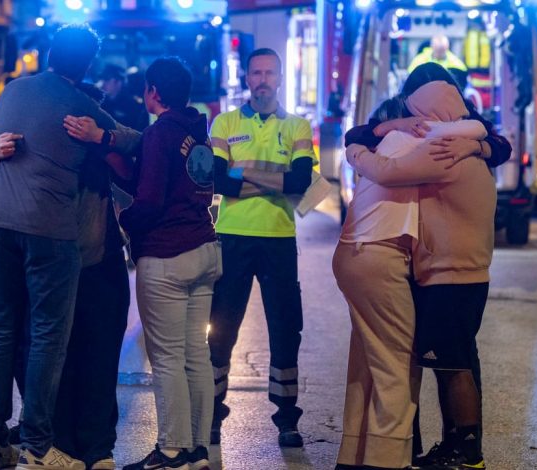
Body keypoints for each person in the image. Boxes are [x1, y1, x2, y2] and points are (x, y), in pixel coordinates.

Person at [344, 65, 505, 469]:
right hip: (456, 271)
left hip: (447, 274)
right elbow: (490, 136)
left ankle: (464, 452)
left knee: (448, 364)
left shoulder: (443, 146)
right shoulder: (463, 136)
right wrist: (480, 145)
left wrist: (357, 153)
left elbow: (384, 168)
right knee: (452, 358)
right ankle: (453, 447)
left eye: (416, 110)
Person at [0, 24, 114, 470]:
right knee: (47, 336)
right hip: (48, 228)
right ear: (87, 65)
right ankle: (37, 447)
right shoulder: (81, 104)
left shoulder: (13, 89)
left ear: (50, 54)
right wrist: (100, 135)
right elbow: (132, 139)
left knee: (0, 329)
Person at [208, 48, 315, 447]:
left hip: (278, 238)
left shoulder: (298, 126)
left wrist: (243, 173)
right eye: (256, 73)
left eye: (270, 72)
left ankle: (287, 419)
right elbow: (217, 180)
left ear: (281, 78)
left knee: (286, 330)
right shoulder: (225, 121)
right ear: (247, 78)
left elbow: (301, 182)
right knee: (220, 329)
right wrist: (274, 180)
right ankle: (211, 415)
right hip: (232, 236)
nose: (263, 79)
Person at [120, 57, 219, 470]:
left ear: (154, 92)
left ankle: (172, 448)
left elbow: (149, 200)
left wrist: (124, 223)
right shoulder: (198, 131)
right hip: (204, 248)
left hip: (167, 255)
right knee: (196, 354)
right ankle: (197, 448)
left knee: (166, 359)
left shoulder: (159, 133)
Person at [100, 63, 149, 132]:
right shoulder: (101, 102)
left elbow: (137, 131)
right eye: (103, 80)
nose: (103, 84)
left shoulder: (132, 105)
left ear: (118, 82)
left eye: (107, 80)